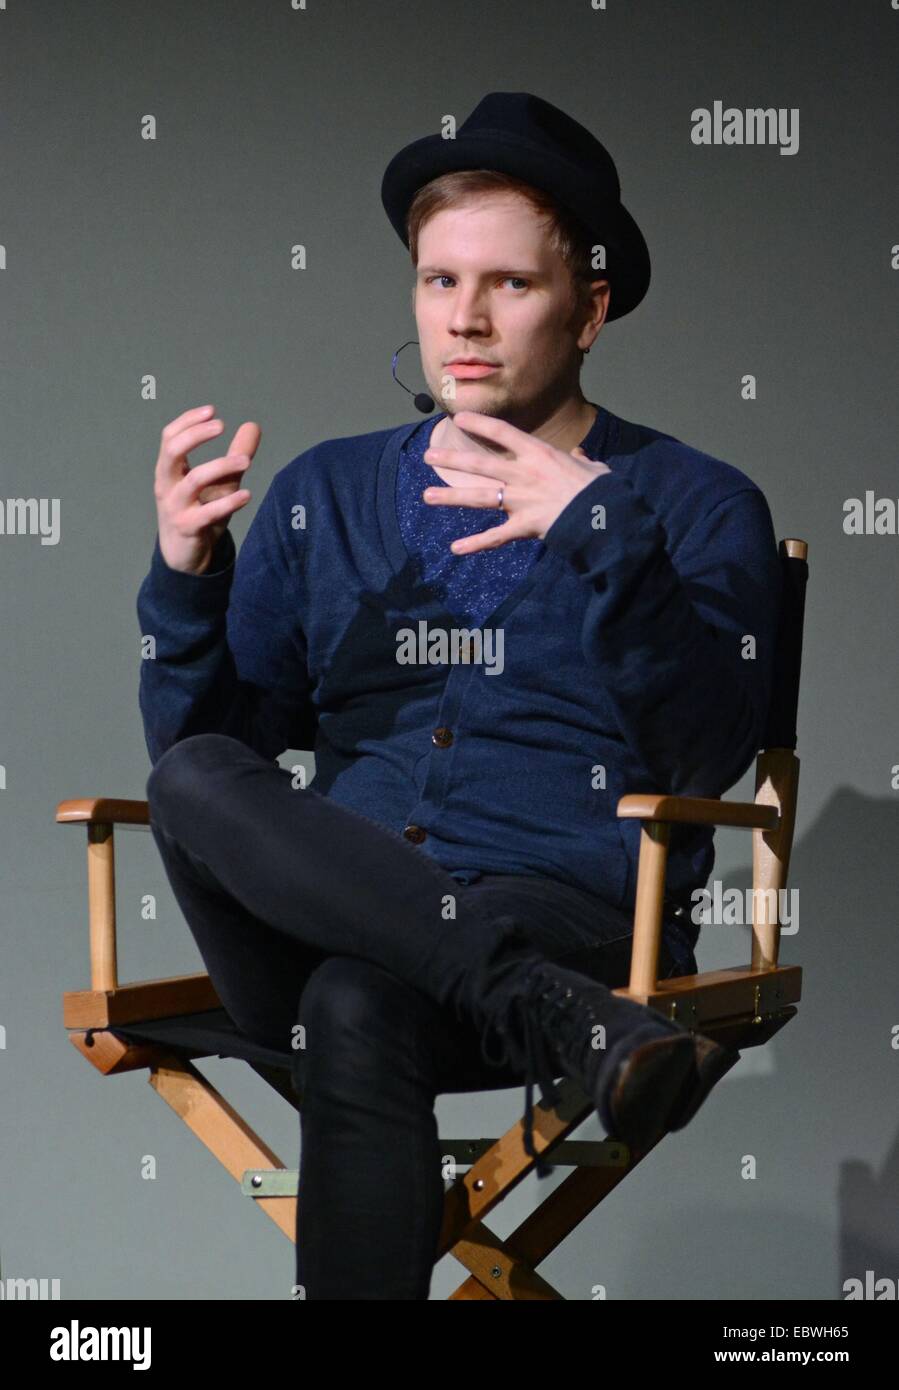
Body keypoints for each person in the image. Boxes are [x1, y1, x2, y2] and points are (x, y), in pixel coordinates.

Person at [137, 92, 781, 1299]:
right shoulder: (322, 493)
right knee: (187, 778)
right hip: (342, 941)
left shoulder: (693, 504)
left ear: (589, 308)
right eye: (438, 282)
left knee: (356, 997)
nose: (466, 320)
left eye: (509, 285)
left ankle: (537, 996)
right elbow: (216, 766)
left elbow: (699, 759)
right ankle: (546, 1015)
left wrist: (602, 539)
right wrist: (187, 583)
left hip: (577, 921)